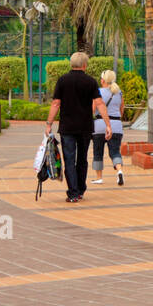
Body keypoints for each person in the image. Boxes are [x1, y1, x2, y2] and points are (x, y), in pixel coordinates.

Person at [45, 52, 113, 202]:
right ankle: (81, 189)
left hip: (67, 128)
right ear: (84, 65)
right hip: (85, 127)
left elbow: (56, 103)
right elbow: (100, 103)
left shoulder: (62, 80)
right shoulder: (90, 82)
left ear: (71, 64)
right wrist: (108, 124)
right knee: (82, 159)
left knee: (69, 159)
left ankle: (73, 193)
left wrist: (49, 124)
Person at [94, 69, 126, 187]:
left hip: (99, 125)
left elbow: (93, 109)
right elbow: (121, 110)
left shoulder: (97, 92)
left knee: (98, 152)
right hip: (116, 126)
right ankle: (119, 170)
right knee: (115, 151)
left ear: (102, 80)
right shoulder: (119, 92)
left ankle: (99, 177)